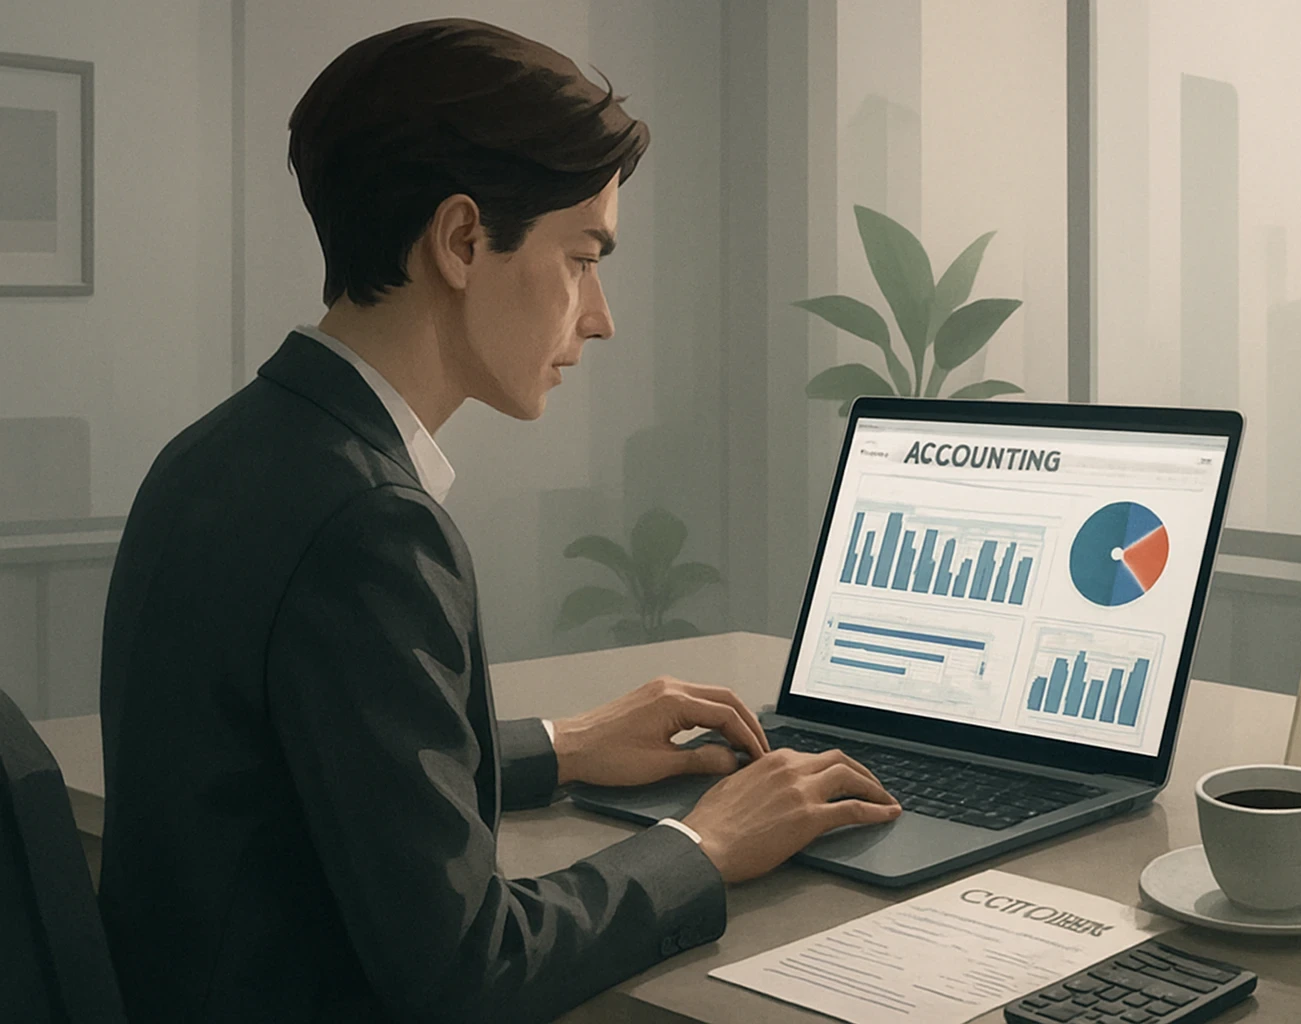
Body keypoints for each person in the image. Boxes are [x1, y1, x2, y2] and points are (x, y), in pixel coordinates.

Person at [96, 17, 900, 1024]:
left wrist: (562, 745)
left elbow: (315, 761)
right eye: (581, 257)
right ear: (464, 240)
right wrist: (707, 843)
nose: (599, 315)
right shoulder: (371, 525)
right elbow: (467, 972)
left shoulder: (218, 455)